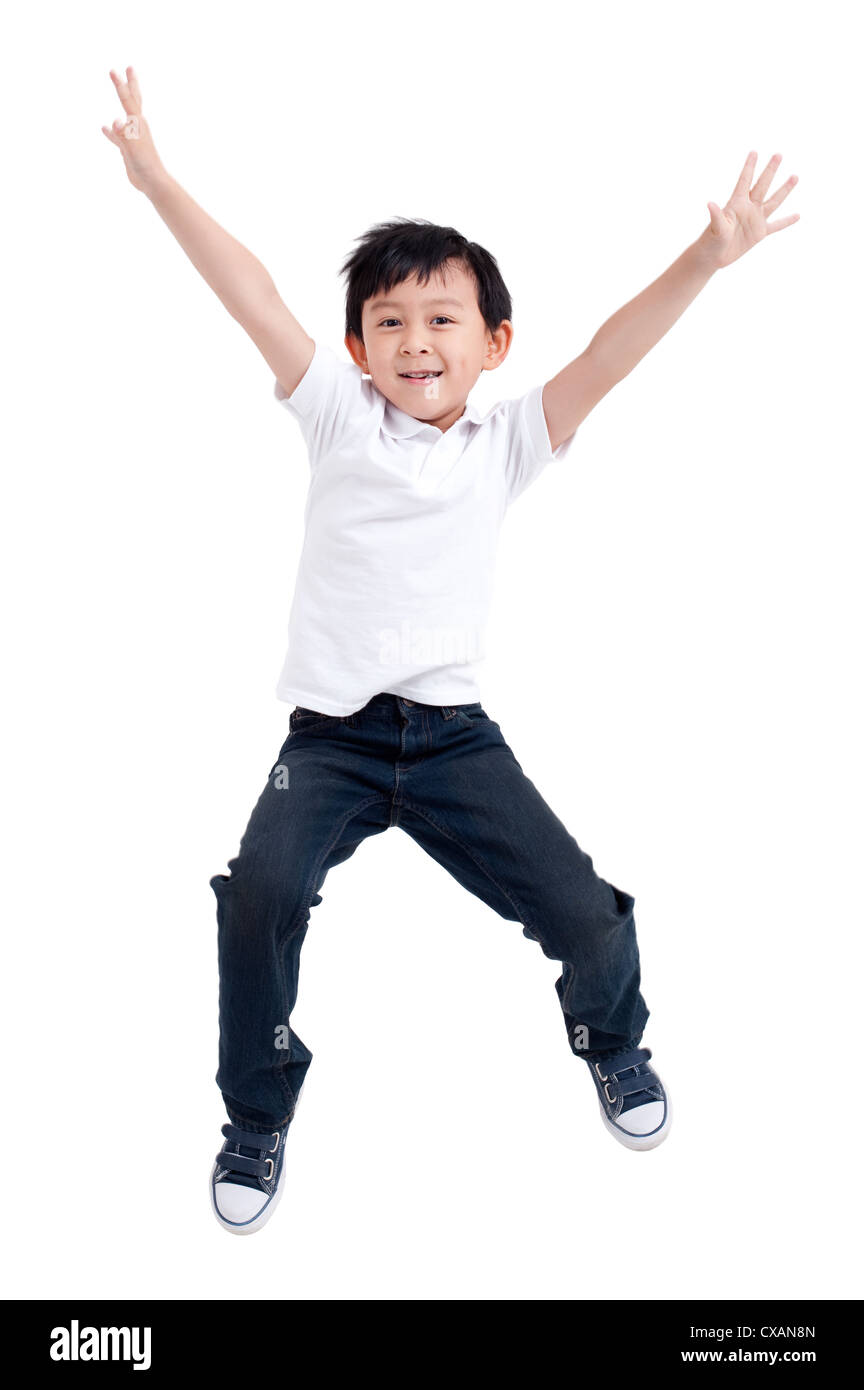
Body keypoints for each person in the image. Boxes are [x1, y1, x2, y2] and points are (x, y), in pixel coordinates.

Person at [103, 66, 799, 1235]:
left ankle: (614, 1043)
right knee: (257, 896)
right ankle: (256, 1116)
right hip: (327, 740)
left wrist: (704, 256)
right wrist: (157, 181)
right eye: (389, 321)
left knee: (581, 914)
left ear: (490, 342)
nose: (414, 341)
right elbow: (252, 294)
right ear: (357, 346)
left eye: (441, 321)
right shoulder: (334, 413)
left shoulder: (507, 441)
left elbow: (607, 356)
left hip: (452, 744)